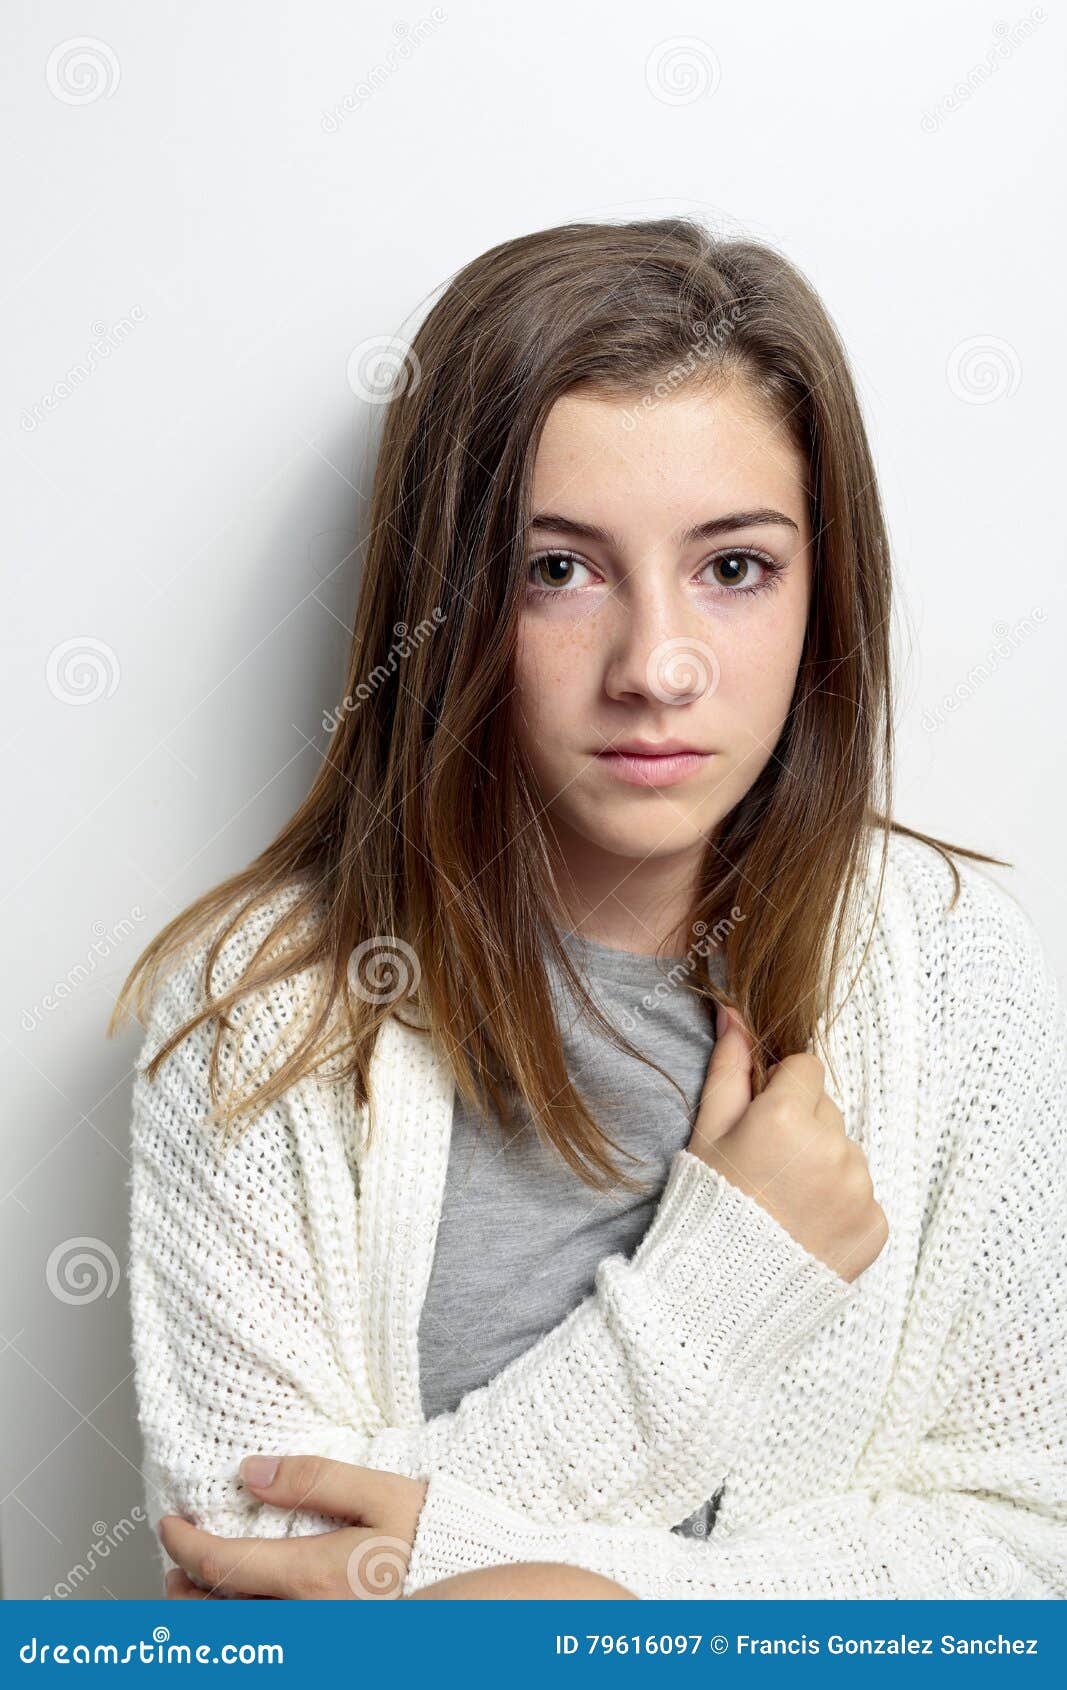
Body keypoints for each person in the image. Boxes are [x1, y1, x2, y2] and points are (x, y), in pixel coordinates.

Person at [111, 218, 1067, 1601]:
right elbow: (253, 1599)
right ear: (448, 597)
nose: (656, 668)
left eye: (733, 568)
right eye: (558, 569)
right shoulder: (258, 1010)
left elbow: (1034, 1555)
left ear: (824, 586)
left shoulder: (952, 965)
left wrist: (563, 1599)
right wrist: (721, 1295)